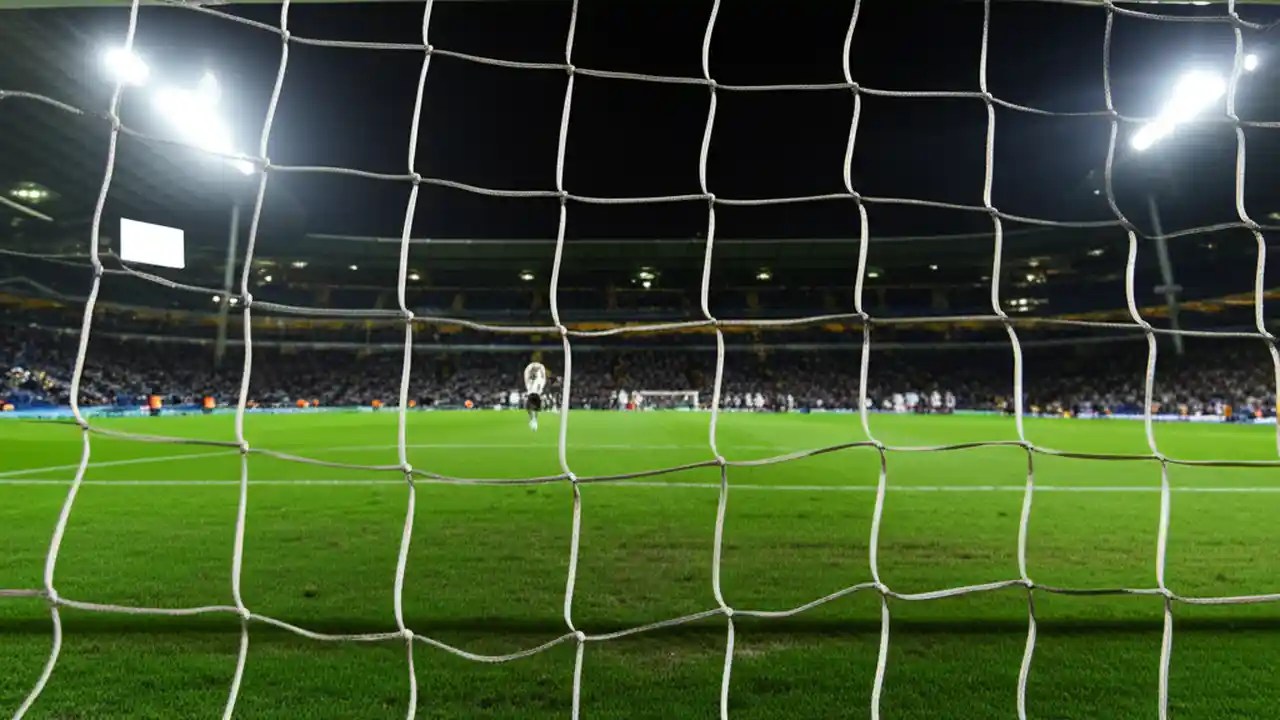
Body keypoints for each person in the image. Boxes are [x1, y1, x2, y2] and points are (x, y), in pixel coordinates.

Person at [524, 361, 547, 431]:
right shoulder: (530, 381)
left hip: (536, 394)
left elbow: (543, 376)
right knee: (530, 409)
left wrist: (540, 368)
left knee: (533, 409)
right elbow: (527, 373)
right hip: (532, 394)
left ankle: (534, 420)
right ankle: (533, 420)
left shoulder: (539, 380)